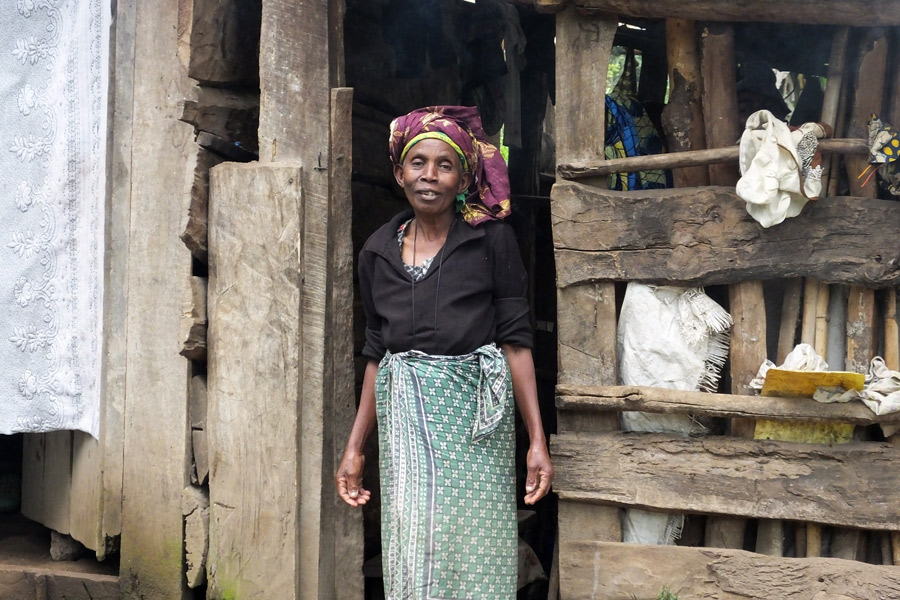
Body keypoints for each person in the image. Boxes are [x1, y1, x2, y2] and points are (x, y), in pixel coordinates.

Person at [335, 106, 553, 599]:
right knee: (414, 548)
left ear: (463, 177)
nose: (429, 176)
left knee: (477, 549)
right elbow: (376, 353)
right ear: (399, 172)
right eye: (417, 163)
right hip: (405, 428)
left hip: (477, 427)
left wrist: (536, 439)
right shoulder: (377, 253)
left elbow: (516, 342)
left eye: (444, 164)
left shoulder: (491, 240)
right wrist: (355, 447)